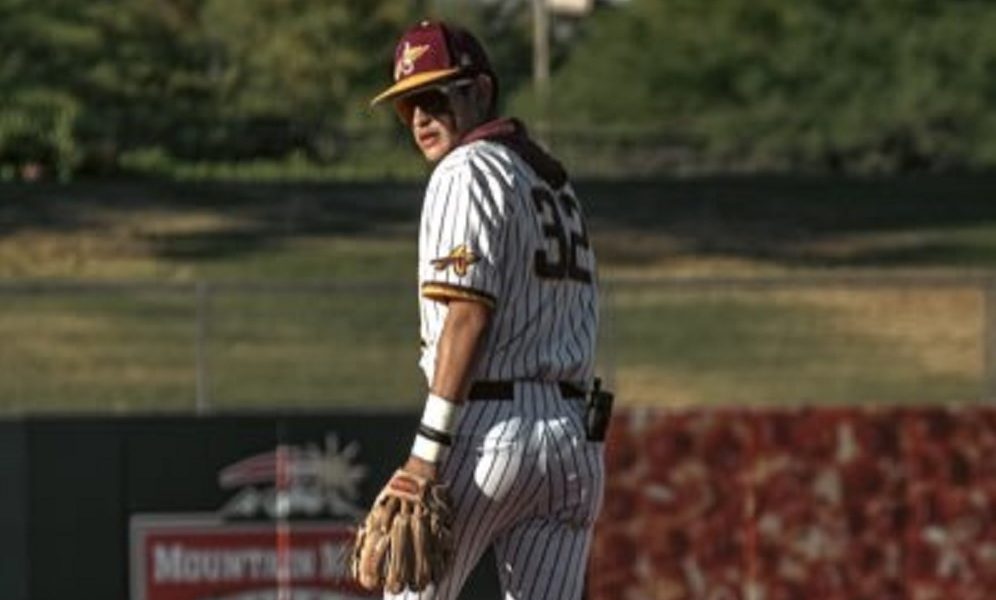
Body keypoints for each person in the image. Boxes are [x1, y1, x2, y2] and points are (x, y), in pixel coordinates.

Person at [369, 20, 605, 600]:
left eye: (433, 96)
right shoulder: (549, 180)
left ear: (479, 90)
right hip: (573, 441)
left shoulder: (465, 170)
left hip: (489, 432)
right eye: (406, 106)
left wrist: (426, 456)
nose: (419, 117)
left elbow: (467, 315)